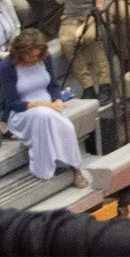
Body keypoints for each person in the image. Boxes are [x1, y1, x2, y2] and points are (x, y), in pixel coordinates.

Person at [0, 27, 88, 188]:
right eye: (29, 55)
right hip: (23, 112)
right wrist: (45, 105)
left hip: (50, 108)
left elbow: (54, 86)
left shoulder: (45, 59)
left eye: (36, 55)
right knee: (42, 115)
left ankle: (74, 166)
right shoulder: (7, 67)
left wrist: (58, 100)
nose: (33, 59)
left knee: (65, 125)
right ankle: (44, 168)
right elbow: (13, 103)